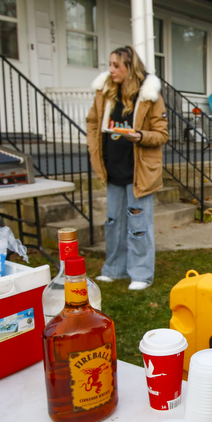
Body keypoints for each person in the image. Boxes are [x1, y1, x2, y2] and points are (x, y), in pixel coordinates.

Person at [86, 46, 168, 291]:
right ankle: (114, 269)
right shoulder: (105, 92)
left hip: (138, 172)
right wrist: (93, 148)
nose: (111, 70)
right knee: (113, 223)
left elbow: (162, 134)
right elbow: (92, 122)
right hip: (112, 169)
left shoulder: (149, 95)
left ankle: (141, 274)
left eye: (116, 65)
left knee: (139, 226)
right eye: (110, 64)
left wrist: (139, 135)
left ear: (130, 67)